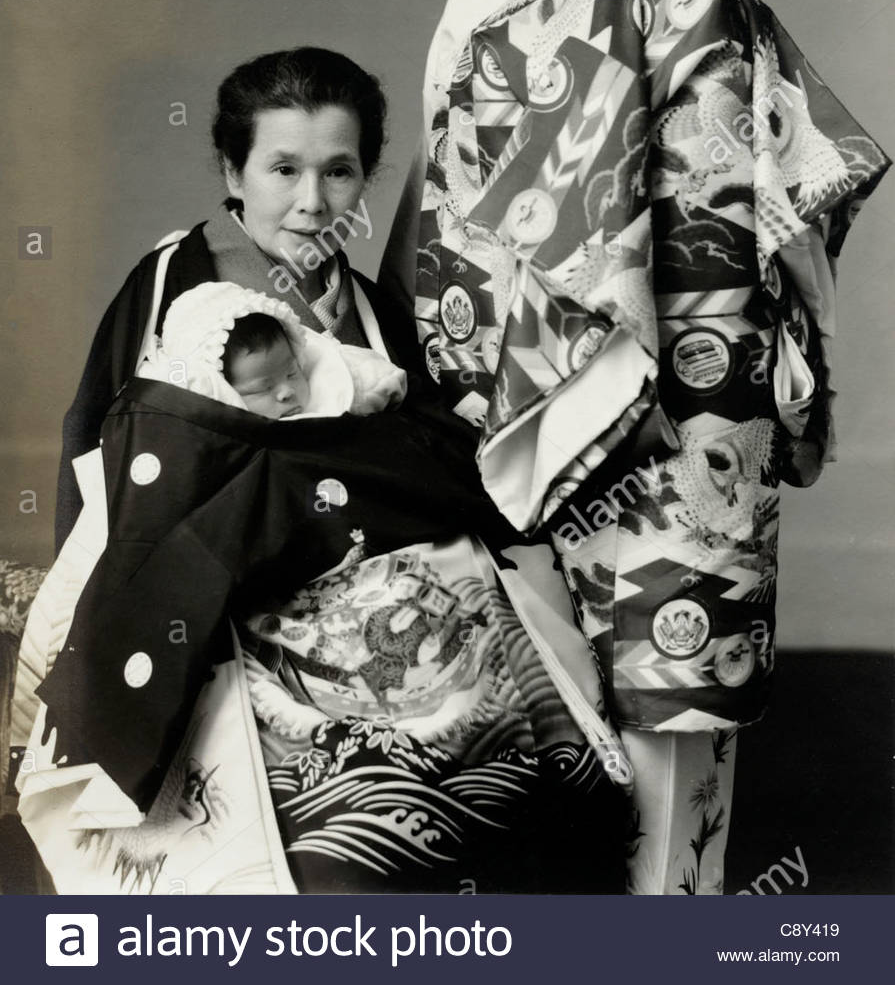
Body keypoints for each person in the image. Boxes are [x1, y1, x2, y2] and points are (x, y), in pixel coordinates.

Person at [381, 0, 890, 895]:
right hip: (506, 390)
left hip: (684, 395)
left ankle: (681, 942)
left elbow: (761, 211)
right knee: (532, 699)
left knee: (672, 702)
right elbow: (439, 213)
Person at [12, 45, 629, 895]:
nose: (311, 203)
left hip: (380, 610)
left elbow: (425, 465)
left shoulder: (372, 311)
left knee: (537, 789)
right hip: (223, 616)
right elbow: (109, 475)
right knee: (303, 864)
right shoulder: (170, 288)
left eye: (339, 172)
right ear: (232, 168)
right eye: (282, 169)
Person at [146, 279, 407, 420]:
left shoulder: (326, 391)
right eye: (262, 388)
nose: (286, 392)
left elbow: (369, 378)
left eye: (292, 373)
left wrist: (378, 383)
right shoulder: (215, 411)